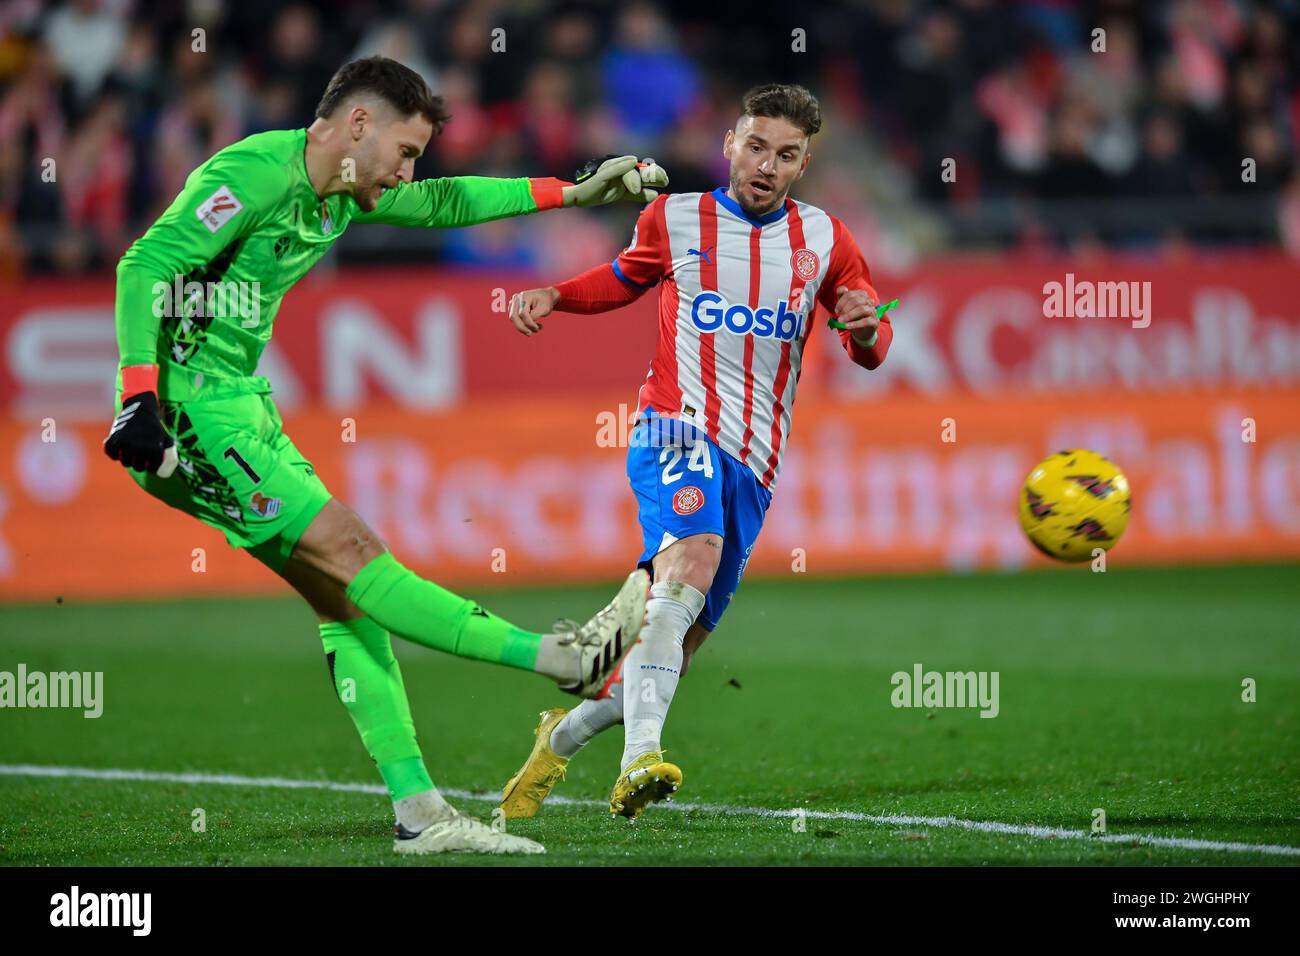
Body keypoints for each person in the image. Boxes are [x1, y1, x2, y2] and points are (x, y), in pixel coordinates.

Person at [103, 56, 667, 854]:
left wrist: (572, 192)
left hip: (241, 405)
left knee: (348, 601)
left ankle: (419, 813)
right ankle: (559, 658)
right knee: (353, 549)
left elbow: (447, 200)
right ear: (357, 126)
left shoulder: (340, 189)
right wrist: (138, 398)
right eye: (405, 152)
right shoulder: (253, 173)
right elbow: (145, 263)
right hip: (185, 413)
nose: (409, 171)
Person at [499, 83, 893, 820]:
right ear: (728, 145)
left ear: (804, 163)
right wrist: (555, 295)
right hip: (672, 426)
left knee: (672, 645)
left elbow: (868, 341)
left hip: (756, 463)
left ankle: (563, 735)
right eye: (755, 146)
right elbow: (622, 279)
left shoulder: (827, 240)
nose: (766, 165)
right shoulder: (676, 216)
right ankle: (640, 760)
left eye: (786, 154)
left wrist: (866, 328)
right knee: (692, 559)